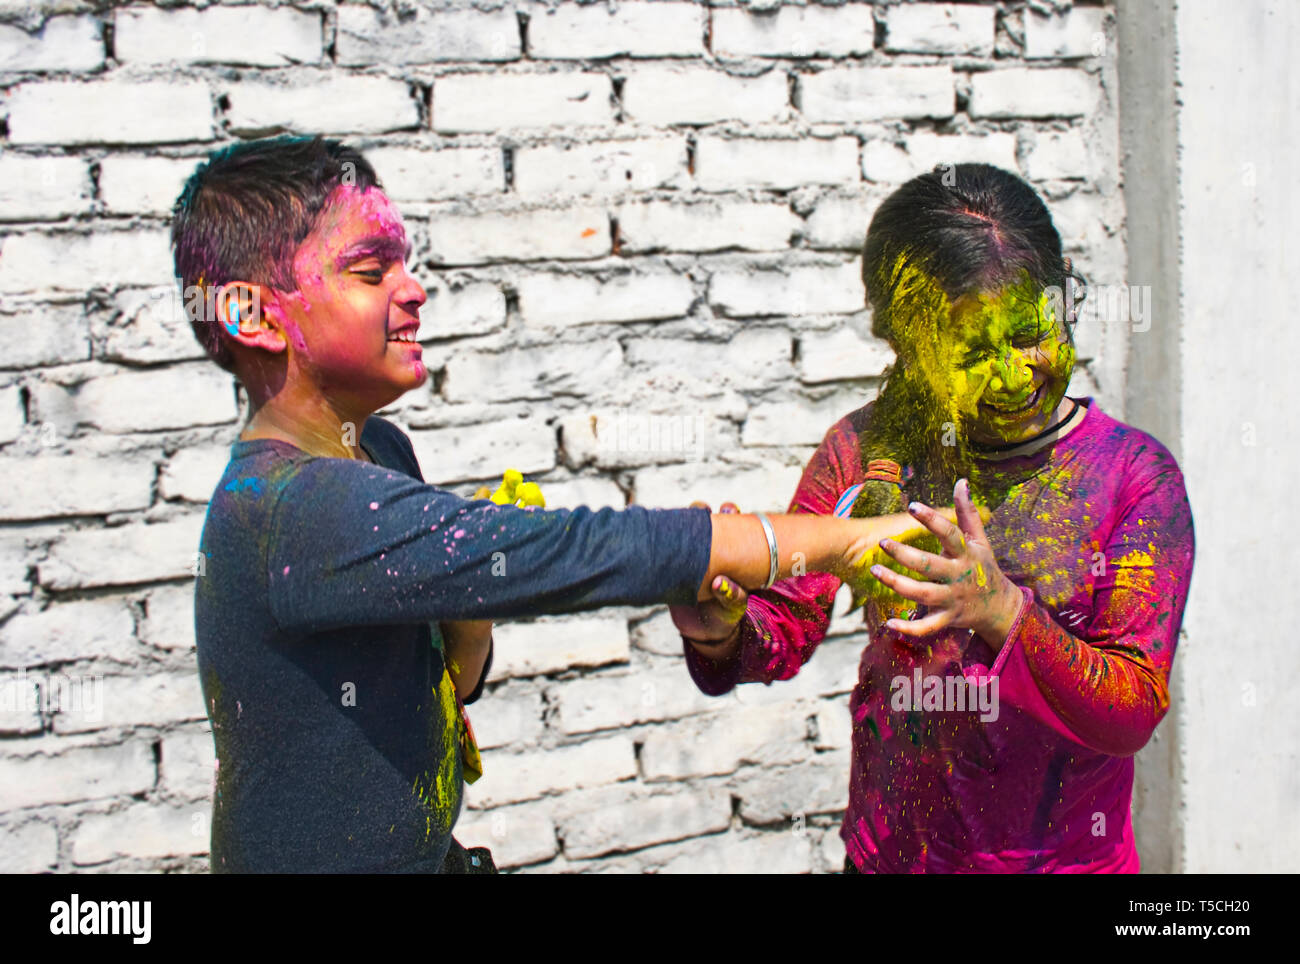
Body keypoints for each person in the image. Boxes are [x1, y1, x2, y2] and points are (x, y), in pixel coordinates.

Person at [171, 134, 944, 873]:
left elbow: (456, 680)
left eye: (405, 265)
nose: (413, 289)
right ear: (251, 314)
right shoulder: (294, 507)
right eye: (371, 272)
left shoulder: (379, 453)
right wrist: (850, 541)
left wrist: (462, 590)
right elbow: (587, 550)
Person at [671, 163, 1195, 873]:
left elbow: (1131, 713)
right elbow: (788, 628)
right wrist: (723, 634)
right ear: (906, 348)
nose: (1013, 376)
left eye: (1029, 334)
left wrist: (1004, 611)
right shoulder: (869, 452)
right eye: (972, 352)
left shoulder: (1133, 478)